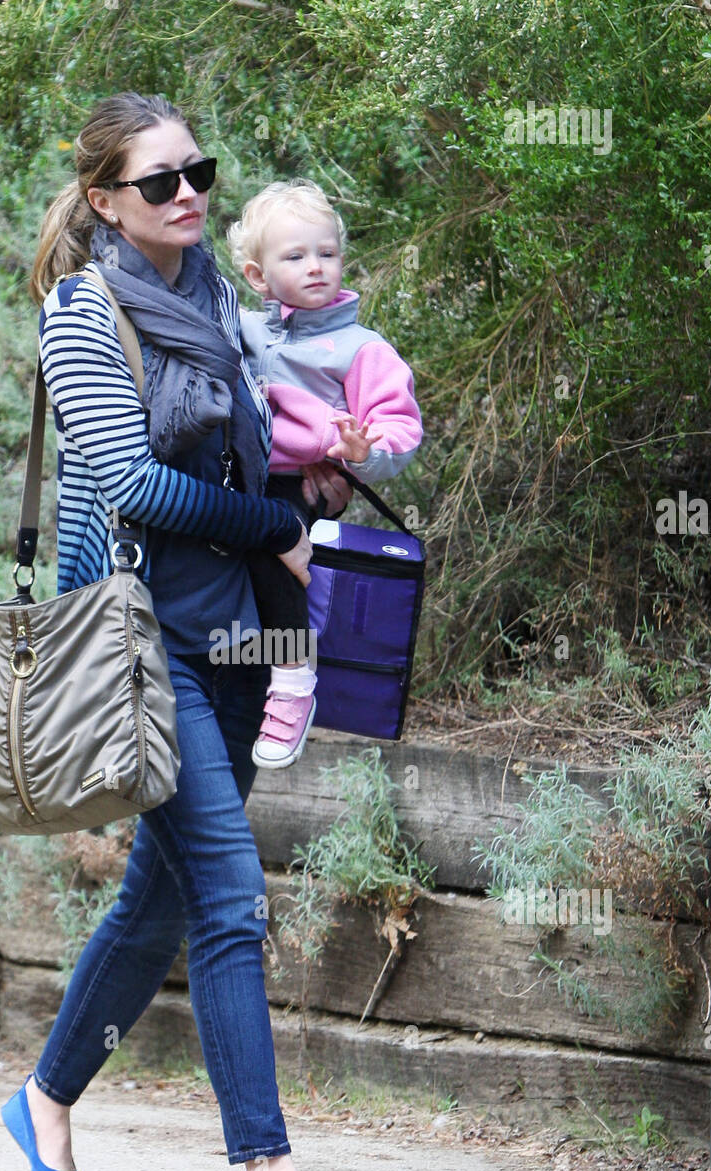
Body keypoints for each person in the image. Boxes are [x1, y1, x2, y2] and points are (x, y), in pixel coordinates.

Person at [0, 92, 360, 1171]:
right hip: (141, 650)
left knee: (162, 902)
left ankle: (45, 1096)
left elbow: (253, 455)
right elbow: (134, 486)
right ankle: (263, 1164)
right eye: (161, 181)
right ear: (107, 200)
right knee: (229, 895)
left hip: (244, 639)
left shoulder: (223, 297)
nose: (190, 191)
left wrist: (314, 482)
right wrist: (272, 530)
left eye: (197, 169)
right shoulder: (83, 312)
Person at [227, 179, 424, 770]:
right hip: (233, 476)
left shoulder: (360, 349)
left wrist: (363, 451)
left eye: (327, 253)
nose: (316, 267)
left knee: (271, 538)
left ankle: (292, 679)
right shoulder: (243, 328)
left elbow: (400, 427)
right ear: (259, 277)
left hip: (295, 485)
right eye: (296, 256)